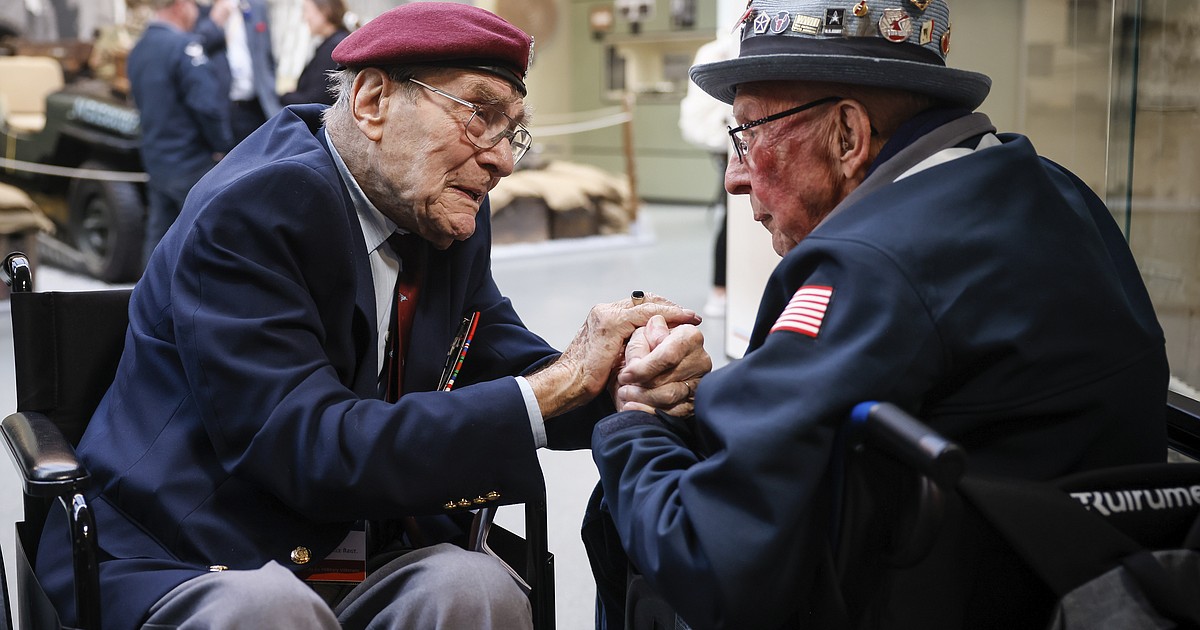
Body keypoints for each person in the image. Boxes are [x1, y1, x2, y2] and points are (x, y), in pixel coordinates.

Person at [35, 3, 710, 628]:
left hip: (358, 547)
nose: (503, 159)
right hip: (192, 552)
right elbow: (306, 447)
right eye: (479, 114)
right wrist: (561, 383)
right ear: (372, 100)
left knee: (479, 588)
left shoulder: (439, 212)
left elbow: (499, 355)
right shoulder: (258, 207)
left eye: (513, 132)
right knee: (269, 611)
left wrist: (629, 380)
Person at [587, 0, 1169, 628]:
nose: (734, 177)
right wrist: (712, 398)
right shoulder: (1052, 187)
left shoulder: (871, 263)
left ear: (848, 135)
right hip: (1087, 582)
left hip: (956, 596)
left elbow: (709, 557)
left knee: (618, 513)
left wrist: (635, 422)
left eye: (748, 134)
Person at [125, 0, 233, 270]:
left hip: (157, 158)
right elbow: (206, 105)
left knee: (159, 239)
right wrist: (222, 145)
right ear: (181, 6)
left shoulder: (139, 48)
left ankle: (149, 294)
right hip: (192, 160)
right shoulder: (184, 46)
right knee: (211, 238)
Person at [677, 35, 736, 318]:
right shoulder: (717, 50)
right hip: (731, 142)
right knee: (731, 216)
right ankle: (720, 288)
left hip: (737, 139)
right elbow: (697, 115)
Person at [195, 0, 282, 144]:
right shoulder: (202, 11)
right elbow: (196, 47)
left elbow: (267, 54)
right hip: (226, 108)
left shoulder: (255, 7)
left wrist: (271, 86)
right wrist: (214, 21)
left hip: (259, 104)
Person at [280, 0, 351, 107]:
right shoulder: (336, 42)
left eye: (307, 11)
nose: (305, 17)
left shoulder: (334, 48)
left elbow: (315, 99)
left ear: (325, 10)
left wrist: (285, 96)